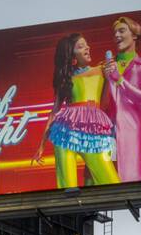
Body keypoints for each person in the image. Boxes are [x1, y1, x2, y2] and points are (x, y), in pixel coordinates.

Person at [32, 33, 121, 189]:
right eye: (81, 46)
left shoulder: (101, 69)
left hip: (93, 132)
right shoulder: (66, 78)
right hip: (65, 134)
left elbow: (105, 103)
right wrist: (41, 145)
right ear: (72, 56)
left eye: (86, 45)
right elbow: (54, 111)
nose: (87, 47)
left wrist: (111, 78)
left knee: (112, 183)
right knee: (67, 189)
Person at [101, 16, 141, 182]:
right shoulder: (105, 67)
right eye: (114, 32)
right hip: (106, 133)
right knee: (105, 179)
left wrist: (120, 80)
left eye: (121, 31)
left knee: (130, 179)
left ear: (134, 35)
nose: (116, 35)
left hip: (130, 133)